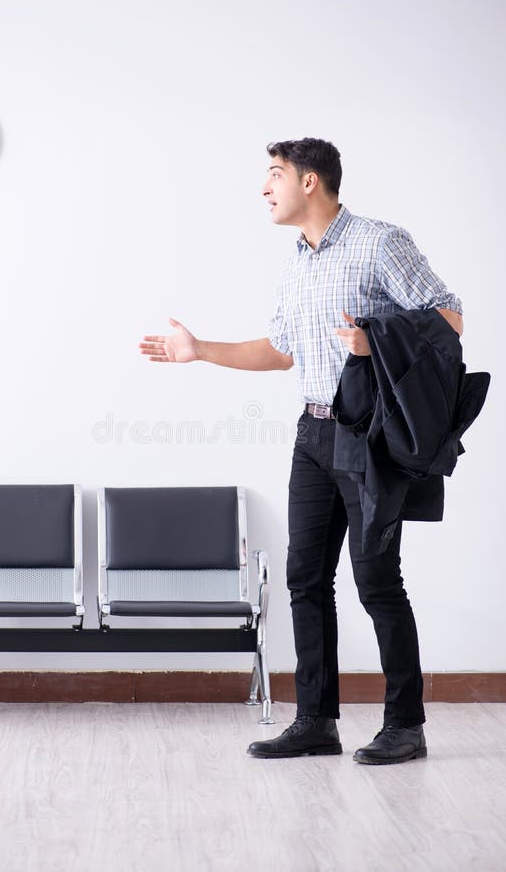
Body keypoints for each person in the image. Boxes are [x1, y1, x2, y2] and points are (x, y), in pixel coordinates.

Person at [139, 137, 463, 765]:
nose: (265, 188)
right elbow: (283, 351)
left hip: (370, 440)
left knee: (376, 580)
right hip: (313, 435)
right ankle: (316, 721)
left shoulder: (379, 242)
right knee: (305, 580)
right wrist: (199, 350)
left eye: (275, 174)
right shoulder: (296, 262)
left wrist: (376, 338)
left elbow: (449, 318)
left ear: (310, 181)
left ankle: (406, 725)